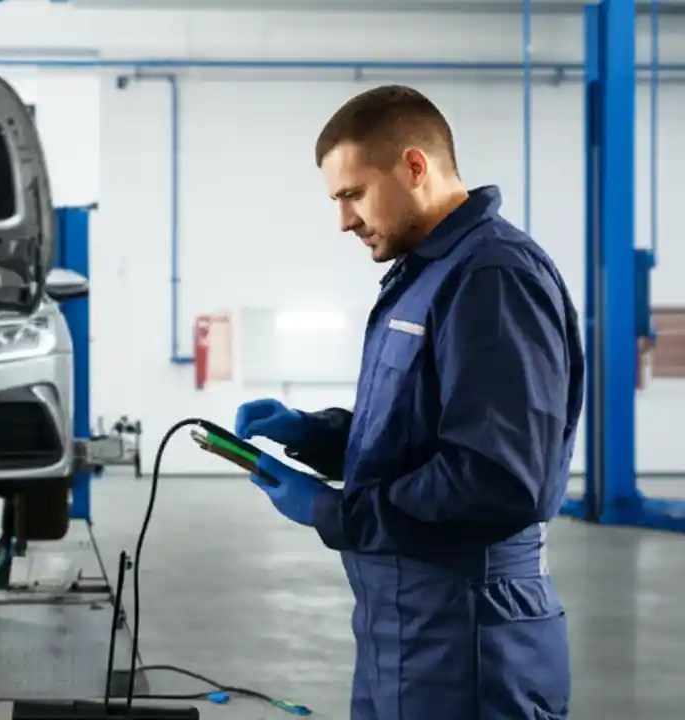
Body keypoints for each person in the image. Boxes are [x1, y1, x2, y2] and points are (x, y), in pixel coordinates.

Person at [235, 85, 584, 720]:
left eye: (352, 194)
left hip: (469, 637)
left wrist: (335, 511)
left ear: (414, 167)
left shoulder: (493, 278)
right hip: (403, 624)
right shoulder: (426, 275)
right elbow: (422, 430)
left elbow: (500, 480)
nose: (343, 220)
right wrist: (314, 435)